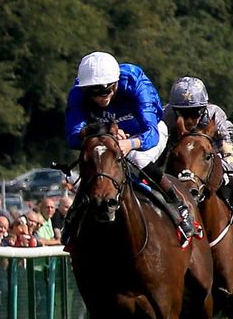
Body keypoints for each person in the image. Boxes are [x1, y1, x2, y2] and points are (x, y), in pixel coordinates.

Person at [63, 51, 197, 243]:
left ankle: (177, 204)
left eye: (105, 90)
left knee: (137, 158)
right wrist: (106, 133)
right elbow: (73, 137)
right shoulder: (77, 93)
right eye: (92, 92)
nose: (100, 97)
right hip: (106, 135)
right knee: (96, 160)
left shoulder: (135, 82)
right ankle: (74, 215)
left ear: (116, 82)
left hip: (146, 133)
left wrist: (130, 143)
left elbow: (151, 133)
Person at [164, 77, 233, 205]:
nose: (189, 120)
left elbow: (229, 152)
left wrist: (222, 174)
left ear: (203, 109)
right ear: (174, 110)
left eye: (194, 113)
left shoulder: (215, 115)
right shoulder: (167, 115)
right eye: (182, 113)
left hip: (214, 157)